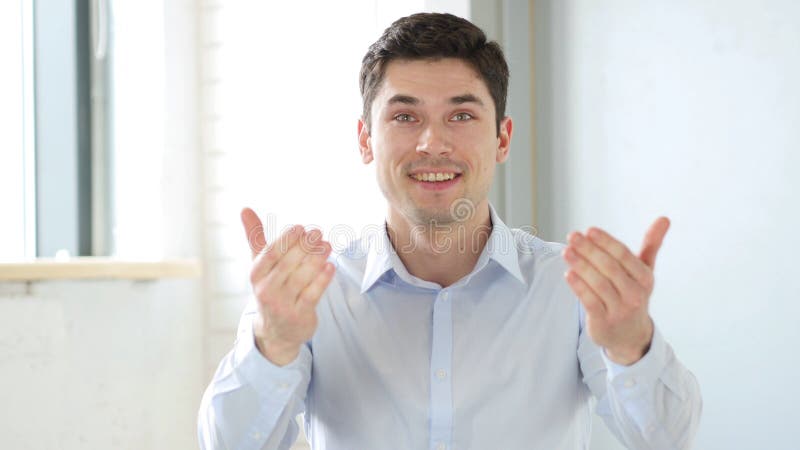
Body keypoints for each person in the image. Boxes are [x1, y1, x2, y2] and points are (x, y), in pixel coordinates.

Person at [198, 12, 702, 450]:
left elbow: (668, 438)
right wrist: (273, 344)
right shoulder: (304, 294)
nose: (432, 142)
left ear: (503, 138)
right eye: (404, 115)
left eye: (461, 115)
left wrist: (632, 345)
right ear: (365, 139)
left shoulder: (569, 289)